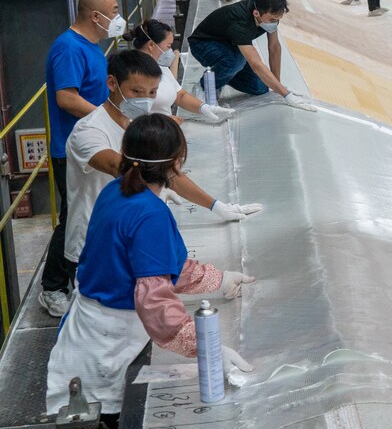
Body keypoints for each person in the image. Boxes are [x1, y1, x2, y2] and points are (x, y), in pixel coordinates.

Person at [45, 113, 255, 428]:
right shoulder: (150, 213)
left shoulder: (115, 190)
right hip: (109, 343)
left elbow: (157, 263)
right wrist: (206, 348)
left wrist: (219, 279)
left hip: (88, 330)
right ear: (177, 164)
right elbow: (153, 299)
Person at [66, 50, 261, 283]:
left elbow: (160, 171)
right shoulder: (89, 131)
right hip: (94, 242)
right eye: (136, 92)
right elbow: (120, 166)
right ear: (112, 83)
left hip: (129, 234)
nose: (145, 99)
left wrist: (216, 206)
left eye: (152, 93)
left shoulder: (137, 126)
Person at [40, 0, 118, 317]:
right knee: (74, 217)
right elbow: (67, 99)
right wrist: (110, 119)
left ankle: (82, 278)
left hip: (93, 142)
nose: (118, 16)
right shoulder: (69, 48)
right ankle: (53, 287)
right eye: (113, 10)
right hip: (71, 149)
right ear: (94, 15)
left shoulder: (92, 46)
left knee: (89, 214)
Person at [189, 0, 316, 111]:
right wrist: (287, 95)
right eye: (272, 19)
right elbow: (256, 64)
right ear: (256, 13)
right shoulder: (240, 22)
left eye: (278, 20)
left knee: (261, 88)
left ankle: (222, 76)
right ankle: (204, 87)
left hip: (230, 47)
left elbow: (274, 47)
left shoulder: (266, 15)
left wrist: (278, 86)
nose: (275, 23)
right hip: (203, 44)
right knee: (235, 62)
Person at [126, 20, 234, 124]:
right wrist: (163, 121)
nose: (170, 51)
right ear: (151, 45)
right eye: (168, 46)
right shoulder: (130, 74)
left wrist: (203, 107)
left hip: (165, 132)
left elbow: (180, 96)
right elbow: (129, 117)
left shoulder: (161, 69)